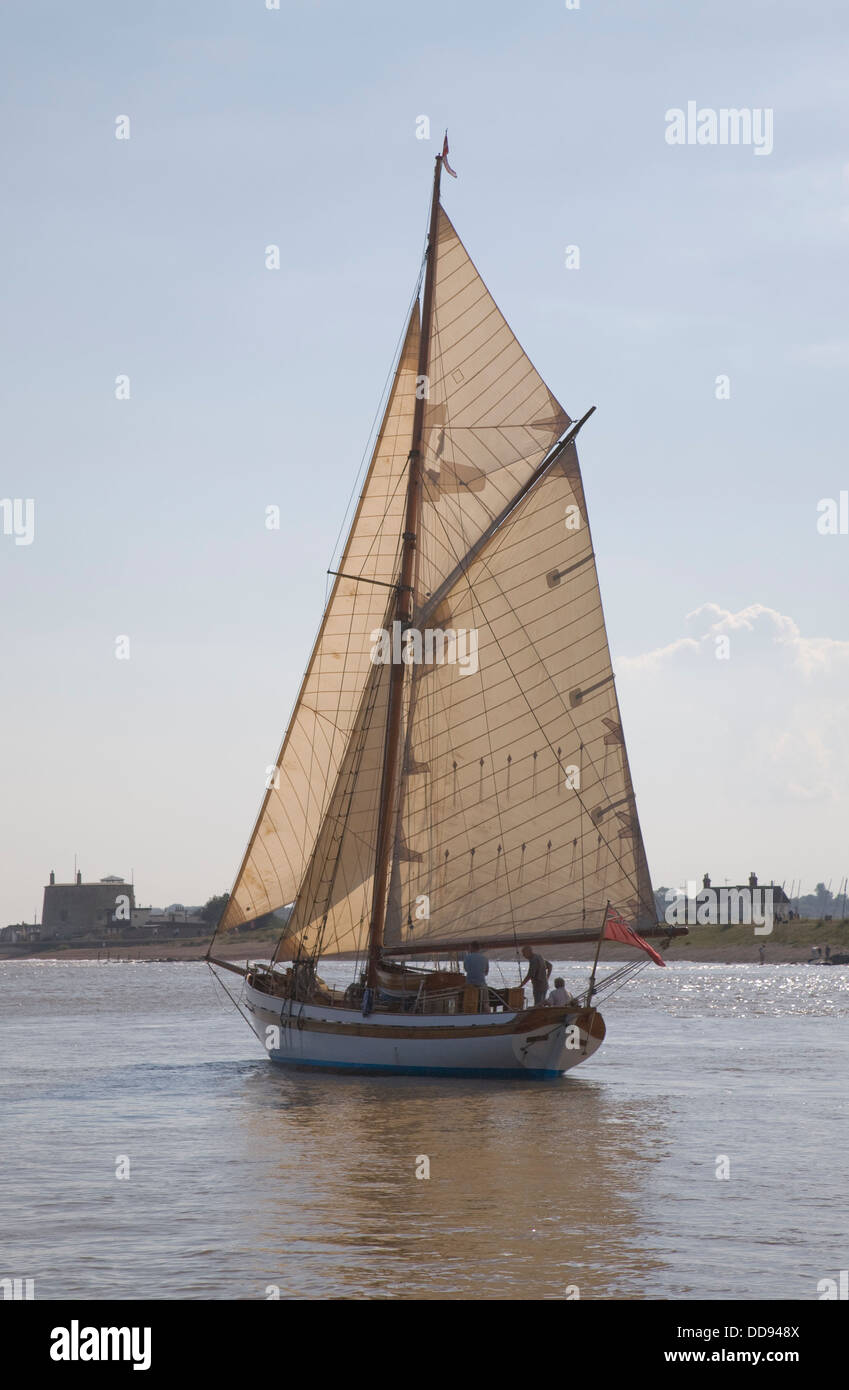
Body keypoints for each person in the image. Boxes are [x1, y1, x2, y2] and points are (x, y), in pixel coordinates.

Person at [463, 940, 490, 1012]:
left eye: (469, 948)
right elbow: (486, 972)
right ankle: (489, 1016)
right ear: (479, 948)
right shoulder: (485, 958)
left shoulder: (467, 957)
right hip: (482, 984)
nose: (469, 949)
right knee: (486, 1003)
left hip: (470, 984)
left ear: (472, 948)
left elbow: (466, 969)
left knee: (468, 1002)